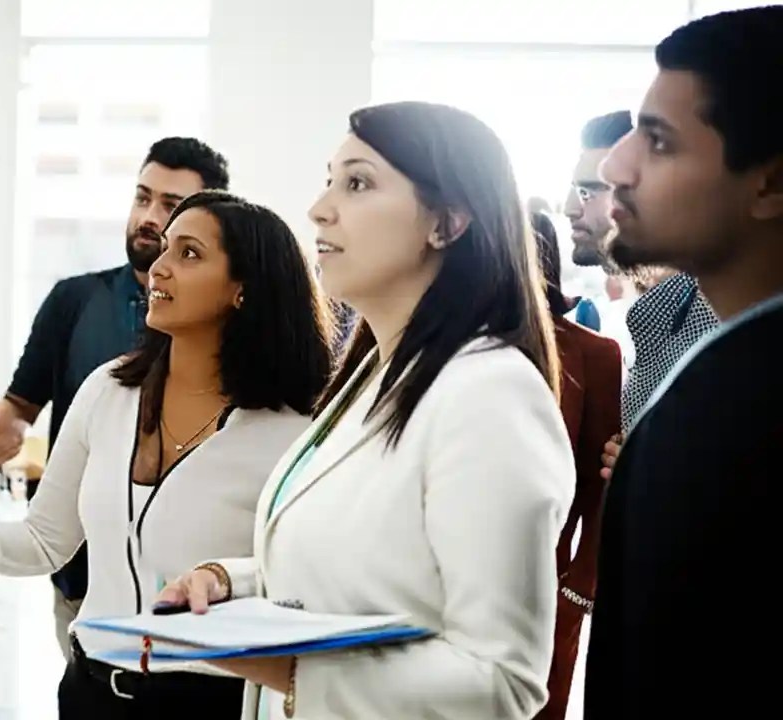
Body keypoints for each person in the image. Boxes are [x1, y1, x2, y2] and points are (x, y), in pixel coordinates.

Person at [158, 102, 575, 719]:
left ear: (448, 221)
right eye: (330, 181)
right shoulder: (369, 378)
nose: (320, 208)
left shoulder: (490, 395)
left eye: (357, 183)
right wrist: (231, 583)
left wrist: (291, 670)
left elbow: (501, 682)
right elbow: (375, 576)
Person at [0, 191, 334, 718]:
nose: (160, 267)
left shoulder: (295, 431)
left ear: (243, 290)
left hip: (212, 701)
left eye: (189, 254)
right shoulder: (108, 390)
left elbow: (306, 584)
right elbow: (42, 542)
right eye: (165, 249)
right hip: (90, 692)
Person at [585, 8, 783, 717]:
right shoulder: (714, 372)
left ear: (770, 183)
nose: (617, 167)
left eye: (660, 142)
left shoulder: (739, 403)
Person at [0, 137, 230, 661]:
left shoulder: (229, 325)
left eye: (171, 207)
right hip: (84, 583)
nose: (149, 217)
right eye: (142, 197)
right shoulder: (73, 300)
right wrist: (6, 424)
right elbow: (23, 405)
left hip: (196, 599)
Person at [530, 212, 622, 720]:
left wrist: (577, 590)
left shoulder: (594, 354)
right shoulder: (452, 352)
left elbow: (600, 485)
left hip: (550, 589)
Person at [565, 111, 635, 359]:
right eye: (574, 190)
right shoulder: (605, 320)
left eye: (587, 192)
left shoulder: (703, 327)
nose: (569, 209)